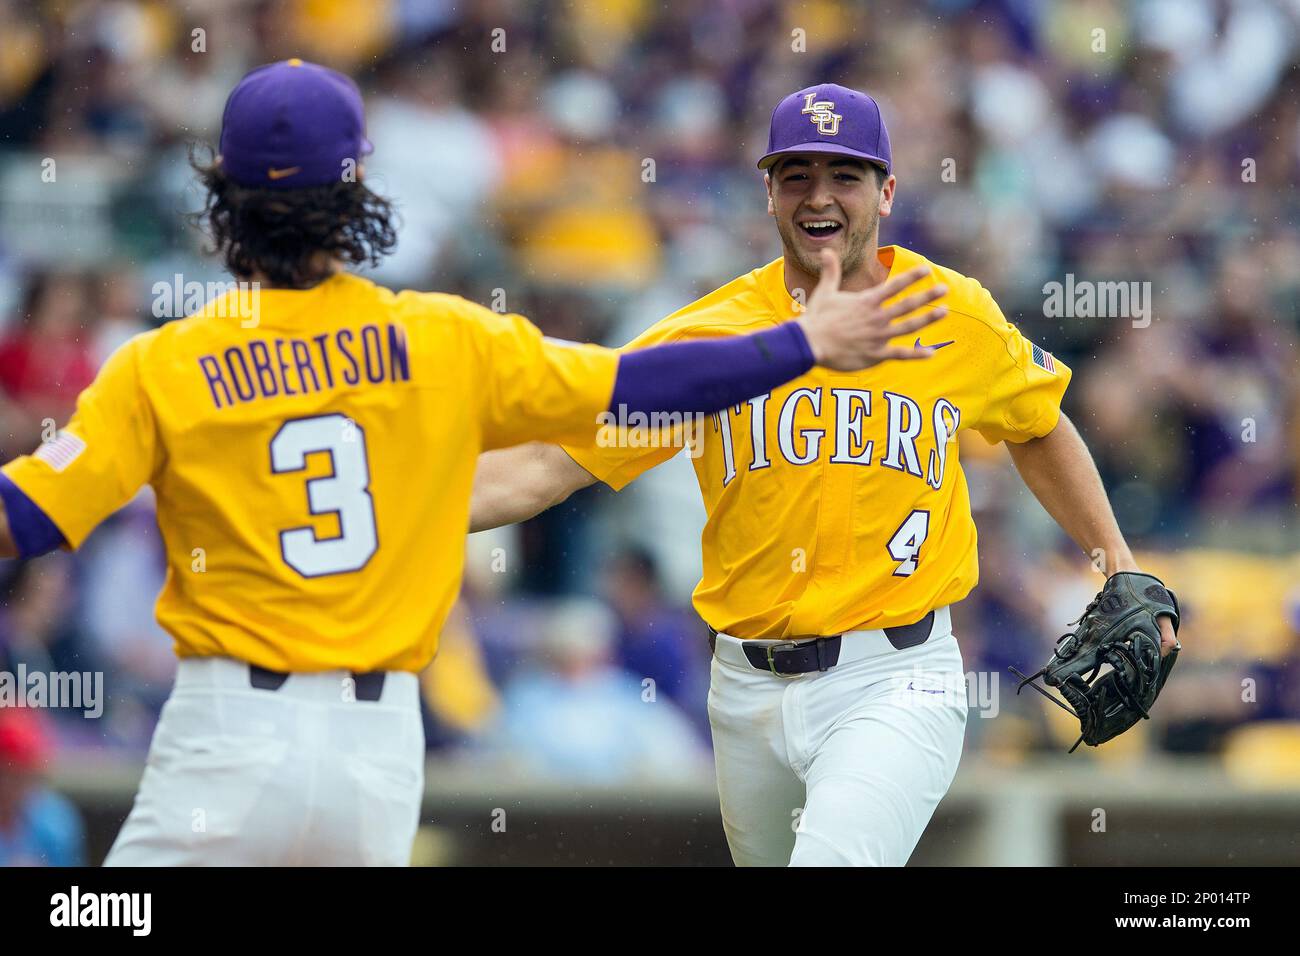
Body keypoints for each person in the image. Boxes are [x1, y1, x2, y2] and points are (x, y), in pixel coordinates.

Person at [0, 64, 947, 866]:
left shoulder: (164, 364)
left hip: (227, 728)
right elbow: (642, 383)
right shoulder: (439, 337)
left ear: (220, 197)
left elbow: (27, 519)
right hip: (377, 750)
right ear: (358, 185)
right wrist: (800, 342)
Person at [470, 83, 1179, 867]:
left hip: (897, 676)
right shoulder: (715, 335)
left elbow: (1039, 423)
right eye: (797, 173)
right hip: (744, 688)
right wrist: (409, 510)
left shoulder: (949, 314)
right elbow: (549, 463)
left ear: (887, 190)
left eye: (845, 174)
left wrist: (1118, 561)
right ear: (768, 190)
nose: (820, 196)